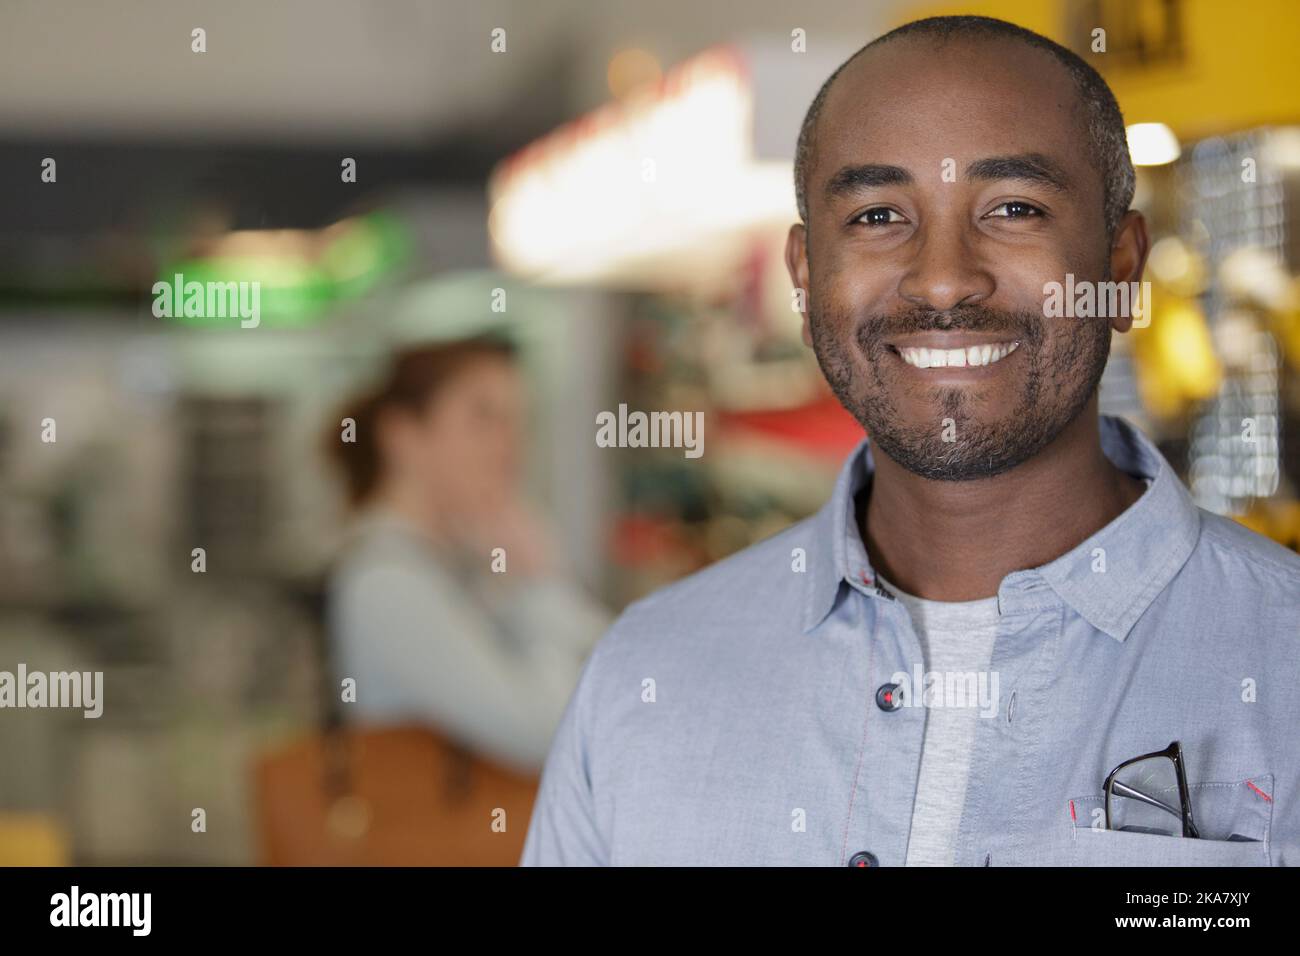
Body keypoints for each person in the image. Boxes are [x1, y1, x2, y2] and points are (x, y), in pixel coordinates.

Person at [521, 15, 1300, 866]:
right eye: (879, 214)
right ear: (805, 275)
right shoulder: (646, 674)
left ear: (1119, 267)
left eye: (1013, 208)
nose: (941, 278)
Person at [325, 336, 610, 775]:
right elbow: (550, 731)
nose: (509, 446)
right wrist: (538, 582)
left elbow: (612, 668)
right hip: (429, 839)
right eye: (484, 417)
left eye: (519, 422)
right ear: (402, 435)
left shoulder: (457, 561)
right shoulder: (389, 585)